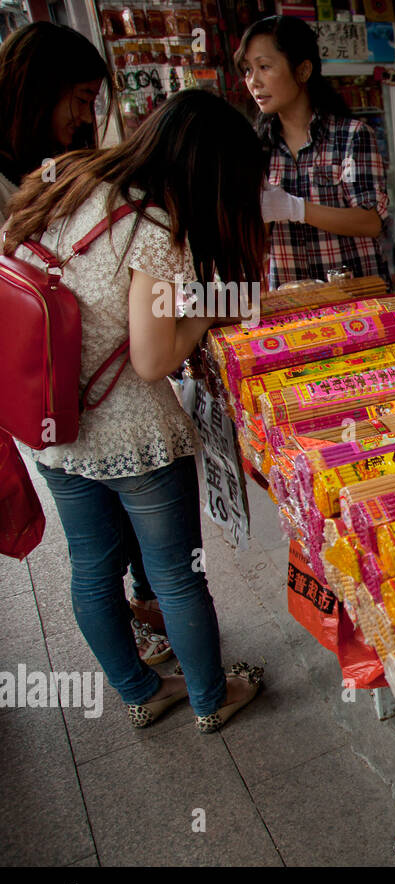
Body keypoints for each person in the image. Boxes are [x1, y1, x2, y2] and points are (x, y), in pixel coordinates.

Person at [3, 89, 267, 732]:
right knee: (175, 572)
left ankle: (139, 691)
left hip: (51, 423)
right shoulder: (151, 228)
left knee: (92, 567)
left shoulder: (70, 176)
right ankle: (210, 696)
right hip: (129, 433)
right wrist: (204, 311)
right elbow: (153, 360)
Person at [0, 21, 169, 664]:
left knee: (99, 549)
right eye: (77, 98)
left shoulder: (47, 166)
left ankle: (140, 671)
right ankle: (170, 658)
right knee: (118, 544)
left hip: (71, 400)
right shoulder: (28, 179)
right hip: (53, 395)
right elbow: (146, 344)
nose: (84, 117)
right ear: (35, 91)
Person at [236, 14, 390, 289]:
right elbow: (254, 244)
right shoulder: (255, 147)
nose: (253, 81)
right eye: (247, 70)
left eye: (264, 67)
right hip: (291, 306)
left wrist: (295, 208)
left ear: (303, 71)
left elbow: (371, 222)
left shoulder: (351, 136)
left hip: (356, 302)